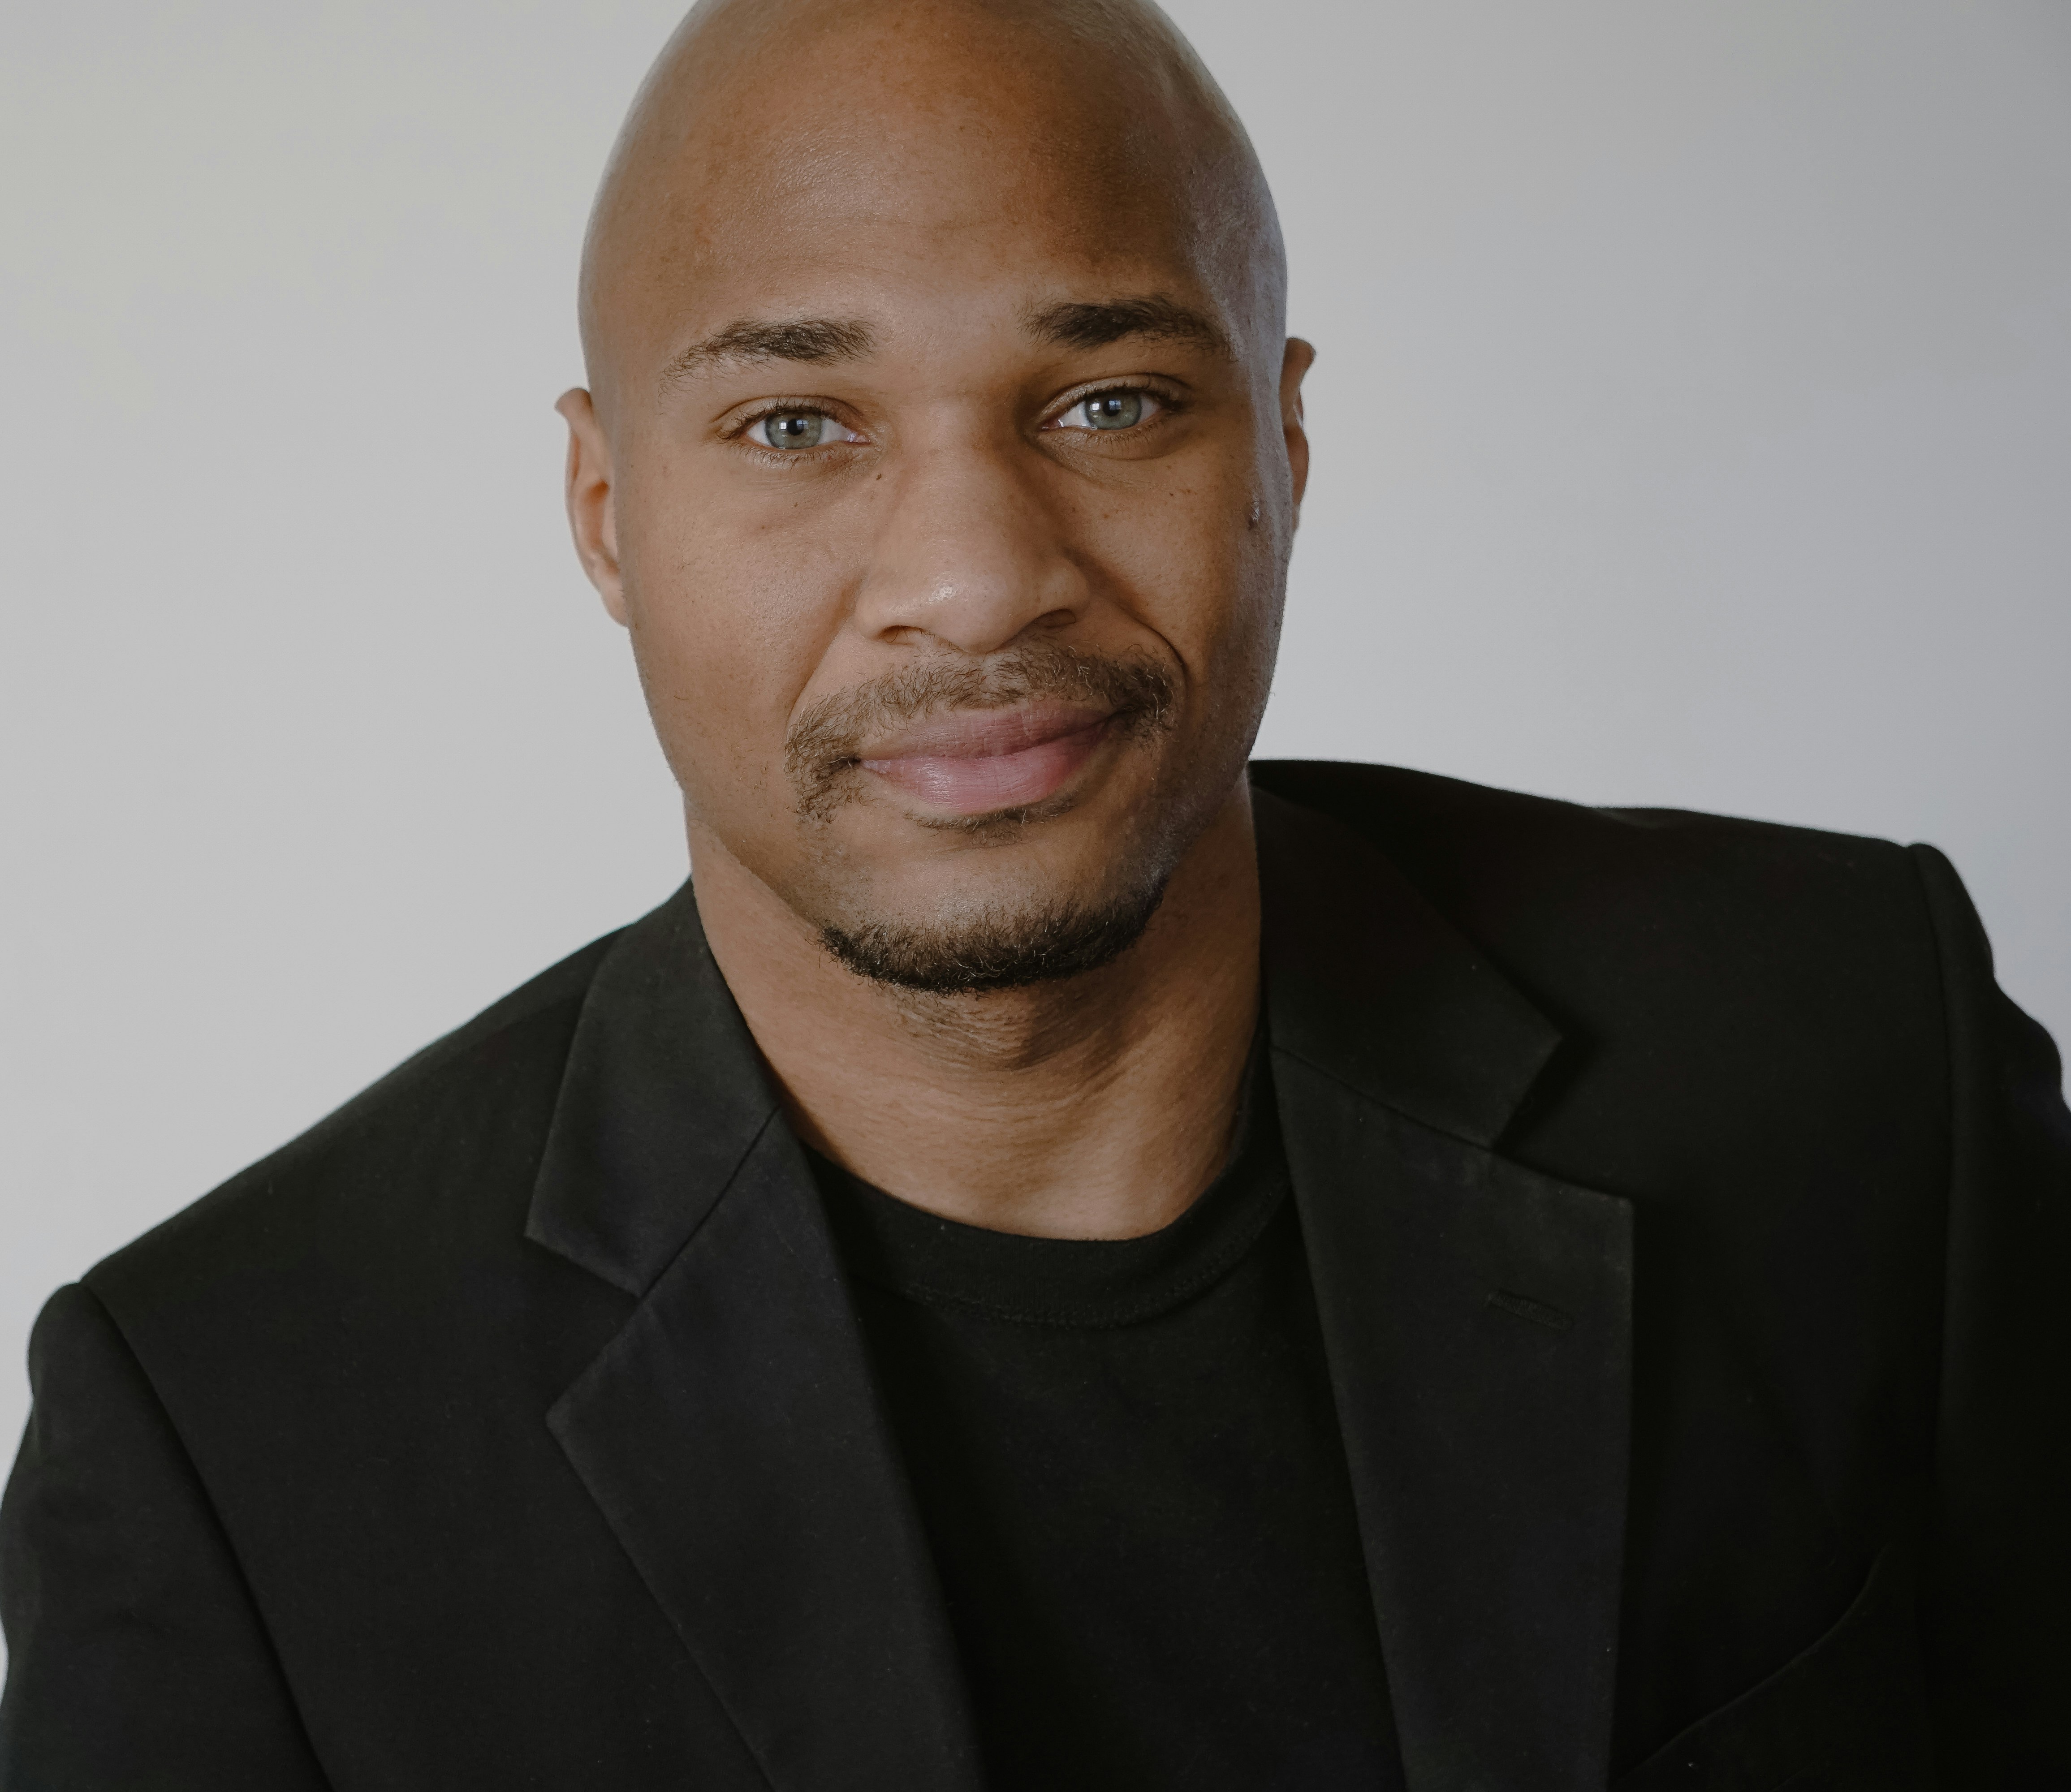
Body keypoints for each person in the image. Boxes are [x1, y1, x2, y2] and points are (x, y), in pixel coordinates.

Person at [3, 0, 2067, 1784]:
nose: (975, 574)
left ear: (1280, 439)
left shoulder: (1849, 1068)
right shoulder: (241, 1442)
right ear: (607, 512)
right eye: (797, 422)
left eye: (1109, 402)